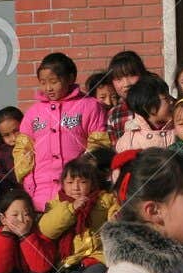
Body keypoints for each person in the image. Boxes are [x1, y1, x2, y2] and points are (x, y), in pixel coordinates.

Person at [14, 52, 111, 210]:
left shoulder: (90, 106)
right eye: (43, 83)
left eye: (54, 82)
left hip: (76, 192)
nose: (48, 88)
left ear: (71, 78)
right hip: (40, 194)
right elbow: (23, 151)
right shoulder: (33, 113)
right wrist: (27, 180)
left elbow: (98, 145)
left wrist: (85, 175)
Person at [40, 156, 117, 273]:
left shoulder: (105, 200)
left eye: (82, 182)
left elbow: (116, 214)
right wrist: (71, 209)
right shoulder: (56, 204)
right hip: (70, 263)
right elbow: (47, 229)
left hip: (97, 258)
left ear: (91, 184)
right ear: (63, 184)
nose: (76, 187)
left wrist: (115, 219)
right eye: (70, 182)